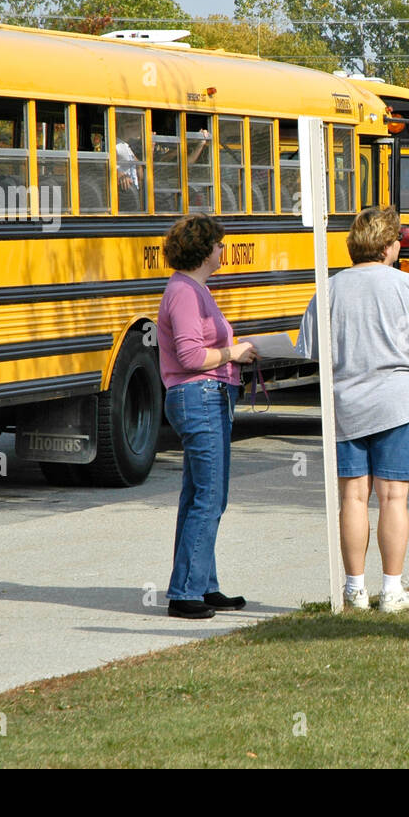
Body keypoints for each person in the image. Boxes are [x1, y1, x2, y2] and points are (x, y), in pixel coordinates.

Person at [299, 206, 409, 609]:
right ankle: (392, 588)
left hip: (346, 403)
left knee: (352, 498)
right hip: (399, 402)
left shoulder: (329, 287)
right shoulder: (408, 286)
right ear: (388, 246)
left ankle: (354, 588)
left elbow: (312, 349)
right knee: (393, 498)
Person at [157, 214, 258, 619]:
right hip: (197, 396)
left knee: (199, 494)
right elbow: (190, 356)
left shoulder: (197, 289)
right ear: (203, 249)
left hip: (208, 395)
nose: (223, 250)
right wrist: (233, 352)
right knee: (209, 496)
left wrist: (238, 352)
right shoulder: (184, 292)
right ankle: (185, 592)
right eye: (219, 244)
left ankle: (202, 583)